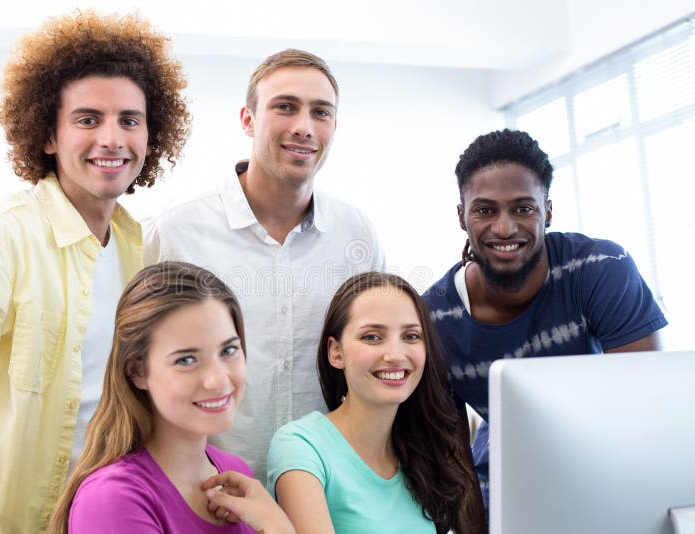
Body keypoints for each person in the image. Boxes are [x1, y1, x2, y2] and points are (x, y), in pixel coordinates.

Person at [0, 10, 190, 533]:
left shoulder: (142, 250)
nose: (112, 138)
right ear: (49, 136)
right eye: (88, 120)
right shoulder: (0, 235)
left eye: (130, 120)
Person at [144, 49, 384, 476]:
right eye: (285, 107)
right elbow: (136, 363)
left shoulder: (357, 234)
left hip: (329, 488)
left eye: (321, 112)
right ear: (248, 119)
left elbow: (378, 356)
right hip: (207, 491)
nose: (303, 127)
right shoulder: (177, 231)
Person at [422, 128, 668, 514]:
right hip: (505, 481)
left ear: (547, 211)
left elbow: (649, 406)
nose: (504, 228)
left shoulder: (600, 268)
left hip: (609, 461)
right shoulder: (434, 319)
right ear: (461, 216)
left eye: (523, 208)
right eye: (485, 210)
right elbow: (455, 464)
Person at [49, 262, 293, 534]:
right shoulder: (110, 500)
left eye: (228, 351)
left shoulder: (236, 475)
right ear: (137, 372)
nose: (217, 379)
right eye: (186, 360)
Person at [267, 272, 486, 534]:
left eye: (411, 336)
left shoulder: (426, 453)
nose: (395, 355)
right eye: (372, 337)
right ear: (336, 352)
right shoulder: (300, 447)